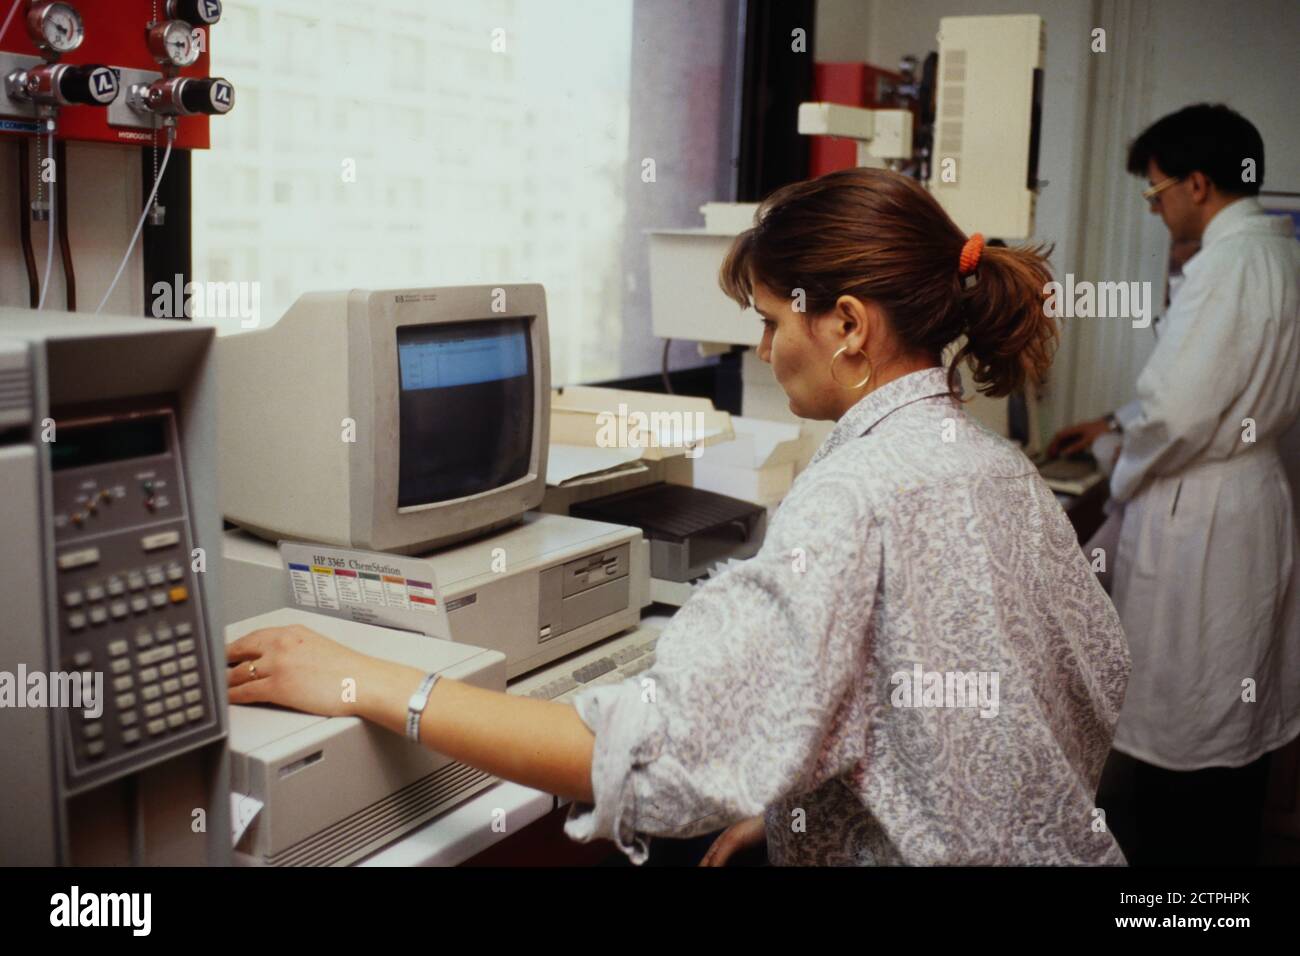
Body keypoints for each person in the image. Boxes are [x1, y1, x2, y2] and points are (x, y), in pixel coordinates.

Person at [227, 167, 1131, 866]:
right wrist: (793, 793)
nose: (767, 350)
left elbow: (635, 749)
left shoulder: (855, 498)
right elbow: (1081, 682)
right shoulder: (989, 465)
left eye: (774, 322)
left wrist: (367, 681)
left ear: (850, 326)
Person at [1049, 104, 1300, 865]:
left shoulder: (1222, 266)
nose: (1155, 208)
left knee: (1186, 715)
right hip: (1247, 492)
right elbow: (1205, 393)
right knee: (1230, 701)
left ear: (1198, 183)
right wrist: (1117, 421)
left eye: (1156, 193)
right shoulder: (1276, 252)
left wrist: (1121, 465)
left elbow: (1181, 412)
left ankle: (1178, 897)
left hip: (1205, 512)